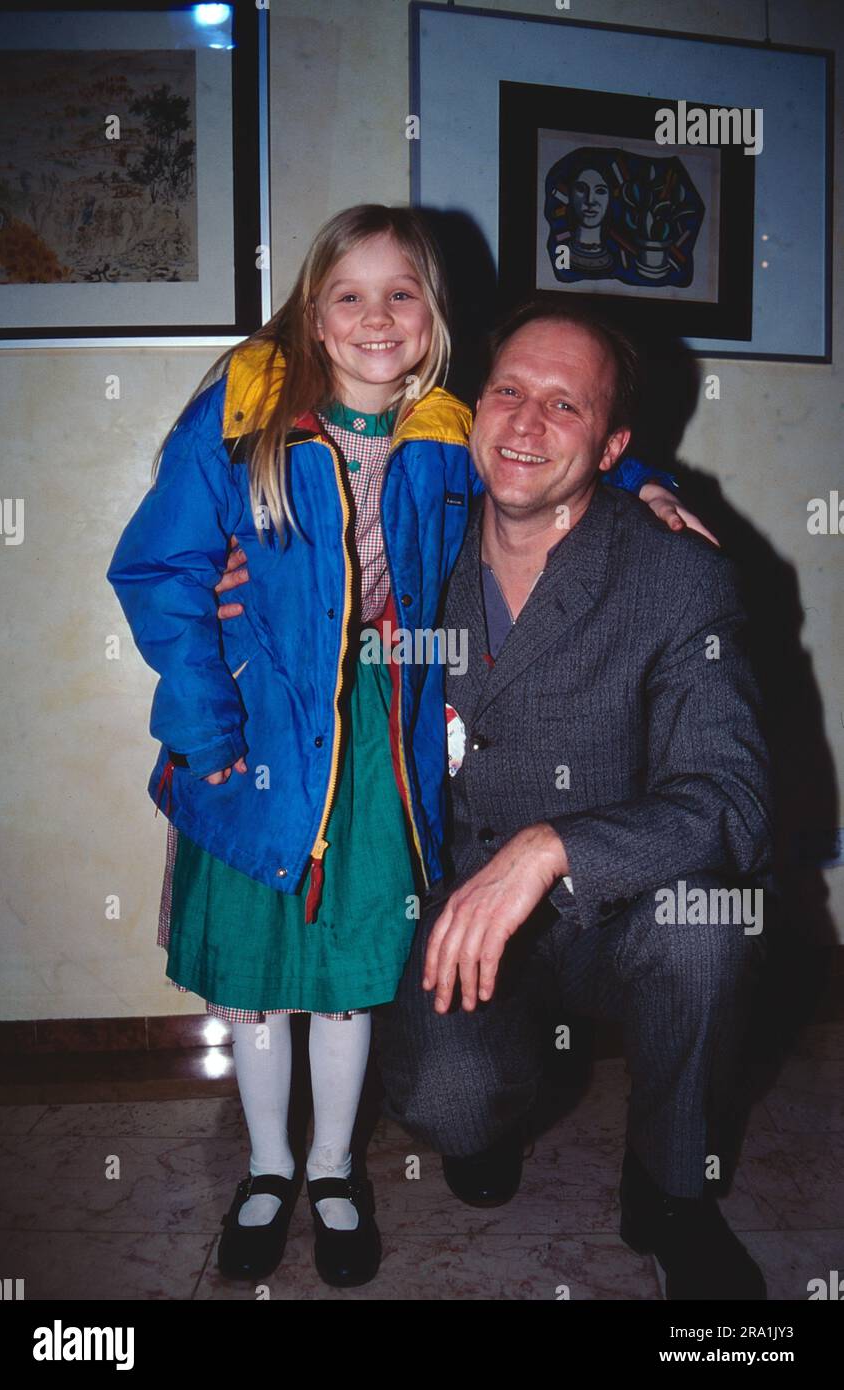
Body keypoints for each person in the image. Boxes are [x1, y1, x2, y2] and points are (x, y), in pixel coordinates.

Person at [107, 204, 703, 1291]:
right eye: (350, 293)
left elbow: (556, 441)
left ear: (433, 318)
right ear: (313, 313)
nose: (376, 316)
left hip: (384, 745)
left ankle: (335, 1168)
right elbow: (161, 571)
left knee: (345, 979)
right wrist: (201, 726)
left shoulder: (448, 425)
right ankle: (269, 1167)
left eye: (403, 293)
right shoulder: (244, 413)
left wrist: (642, 481)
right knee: (258, 982)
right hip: (255, 738)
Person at [370, 302, 773, 1302]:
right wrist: (240, 579)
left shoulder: (677, 574)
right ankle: (499, 1103)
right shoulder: (414, 545)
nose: (525, 423)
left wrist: (557, 845)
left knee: (708, 922)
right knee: (448, 1102)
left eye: (565, 404)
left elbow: (734, 799)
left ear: (614, 443)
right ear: (469, 410)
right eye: (507, 390)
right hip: (464, 918)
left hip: (616, 912)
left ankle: (673, 1187)